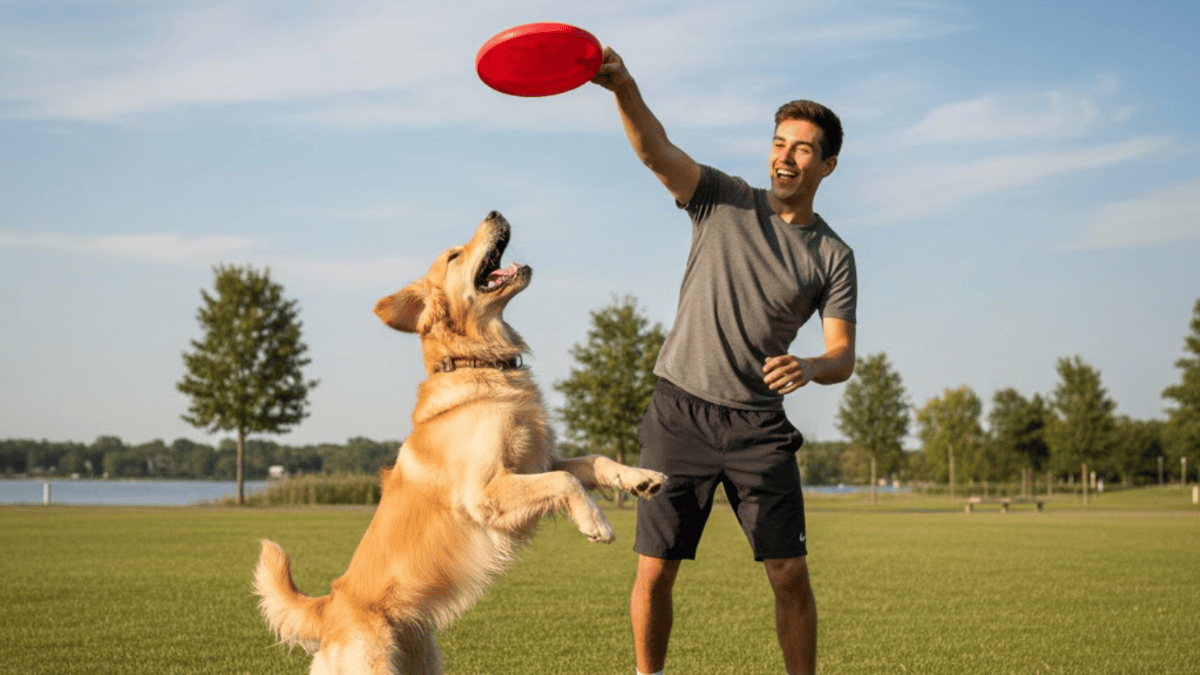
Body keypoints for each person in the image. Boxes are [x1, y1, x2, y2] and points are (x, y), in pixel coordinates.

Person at [590, 47, 857, 675]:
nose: (784, 156)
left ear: (827, 164)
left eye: (800, 148)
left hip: (759, 430)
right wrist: (624, 85)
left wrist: (811, 367)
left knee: (789, 572)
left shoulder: (833, 256)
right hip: (679, 412)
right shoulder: (722, 198)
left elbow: (842, 354)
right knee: (654, 571)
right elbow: (656, 150)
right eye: (778, 142)